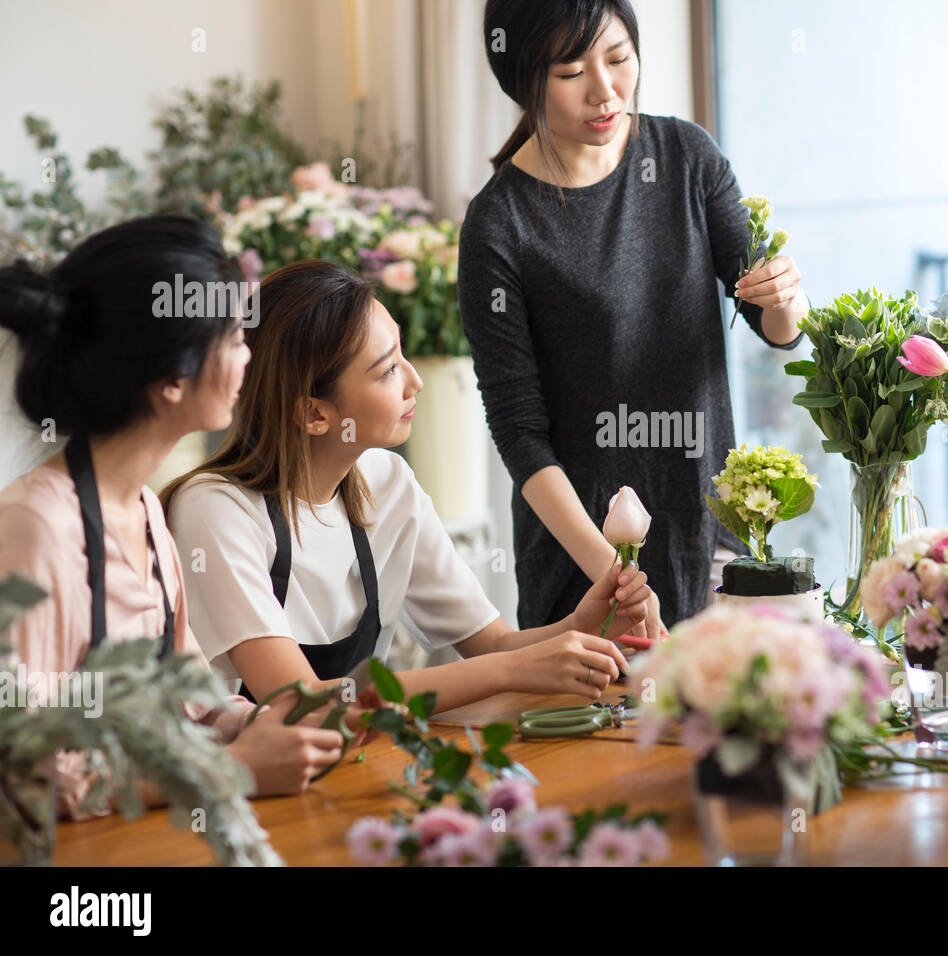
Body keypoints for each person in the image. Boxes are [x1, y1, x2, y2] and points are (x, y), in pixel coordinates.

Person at [459, 0, 810, 636]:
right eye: (570, 74)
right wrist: (615, 578)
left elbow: (775, 328)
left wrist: (784, 298)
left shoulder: (686, 157)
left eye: (619, 59)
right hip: (583, 562)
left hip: (708, 532)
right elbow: (519, 432)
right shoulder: (500, 224)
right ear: (523, 80)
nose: (605, 91)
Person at [162, 259, 646, 709]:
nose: (414, 381)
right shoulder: (214, 510)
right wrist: (513, 669)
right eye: (388, 369)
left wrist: (584, 625)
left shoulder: (387, 483)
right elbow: (298, 703)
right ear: (314, 413)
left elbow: (492, 643)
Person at [0, 216, 347, 815]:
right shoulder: (37, 528)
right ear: (171, 379)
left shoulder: (144, 511)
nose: (249, 357)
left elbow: (189, 702)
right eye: (236, 338)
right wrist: (230, 768)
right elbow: (22, 773)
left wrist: (267, 720)